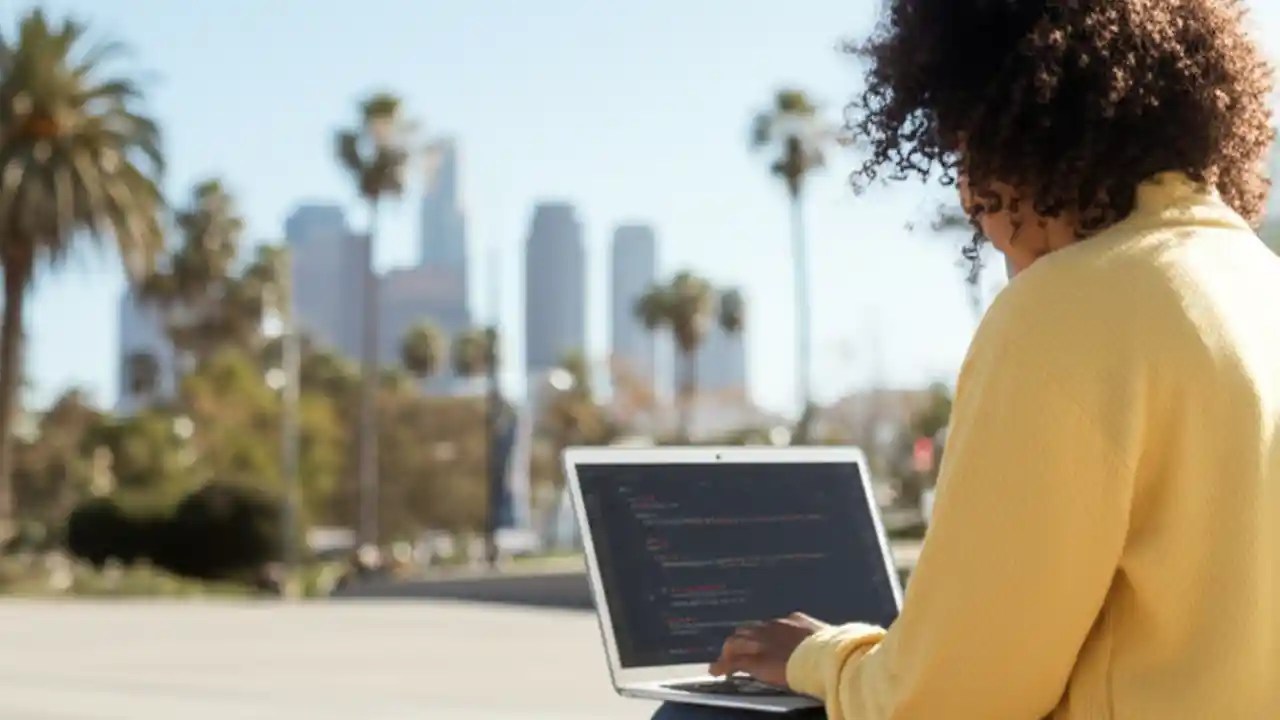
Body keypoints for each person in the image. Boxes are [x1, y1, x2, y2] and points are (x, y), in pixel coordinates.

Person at [660, 0, 1280, 717]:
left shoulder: (1066, 309)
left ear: (1010, 137)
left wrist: (819, 656)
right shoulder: (1259, 283)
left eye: (965, 165)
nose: (976, 215)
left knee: (700, 714)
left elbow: (951, 701)